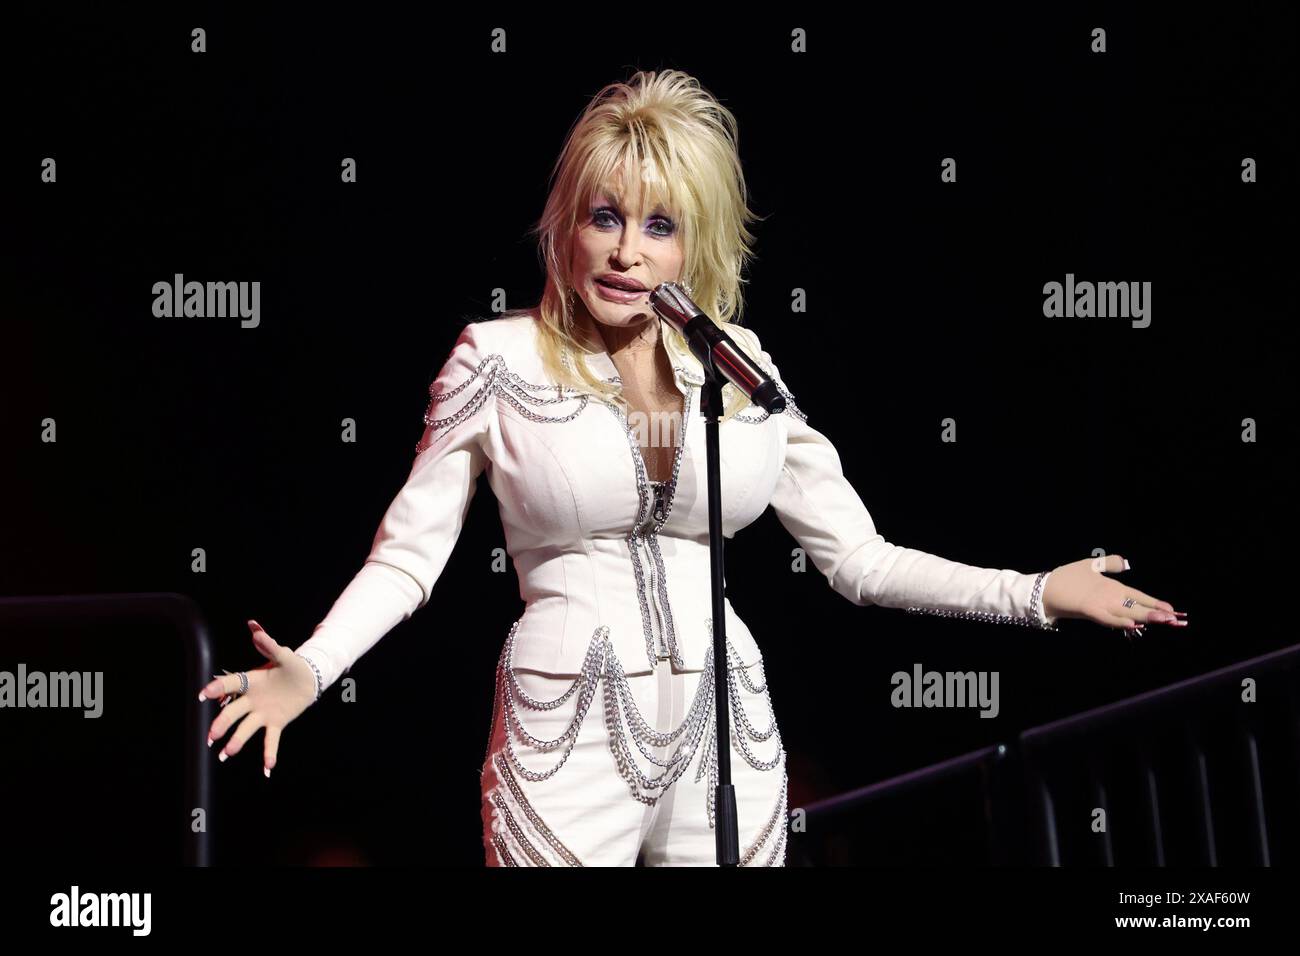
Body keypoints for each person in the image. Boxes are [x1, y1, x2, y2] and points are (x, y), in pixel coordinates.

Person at [197, 69, 1186, 867]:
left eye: (659, 226)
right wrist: (312, 669)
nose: (626, 252)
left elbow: (860, 559)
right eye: (605, 217)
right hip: (566, 731)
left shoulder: (740, 364)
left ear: (694, 244)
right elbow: (408, 557)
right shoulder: (496, 359)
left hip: (730, 725)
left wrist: (1035, 592)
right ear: (565, 224)